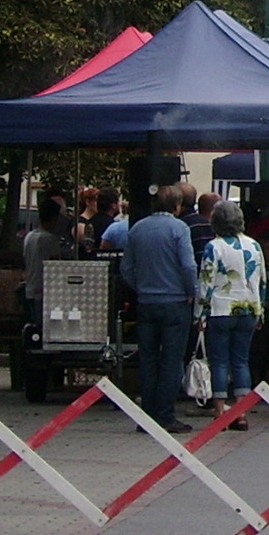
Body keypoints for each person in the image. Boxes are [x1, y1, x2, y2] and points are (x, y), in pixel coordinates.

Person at [118, 185, 197, 434]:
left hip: (146, 302)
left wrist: (141, 286)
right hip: (174, 302)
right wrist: (191, 291)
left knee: (148, 359)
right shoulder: (179, 228)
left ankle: (147, 415)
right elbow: (188, 265)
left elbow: (126, 268)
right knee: (172, 360)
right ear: (177, 206)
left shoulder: (138, 228)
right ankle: (165, 414)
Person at [198, 200, 265, 428]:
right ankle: (242, 412)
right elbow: (262, 280)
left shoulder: (213, 247)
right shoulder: (254, 246)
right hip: (248, 308)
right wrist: (260, 309)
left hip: (221, 309)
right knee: (241, 360)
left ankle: (220, 412)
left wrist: (200, 313)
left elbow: (205, 282)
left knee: (219, 361)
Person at [21, 197, 72, 315]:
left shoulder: (29, 236)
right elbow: (56, 267)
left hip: (29, 288)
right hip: (44, 291)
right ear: (55, 218)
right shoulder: (50, 240)